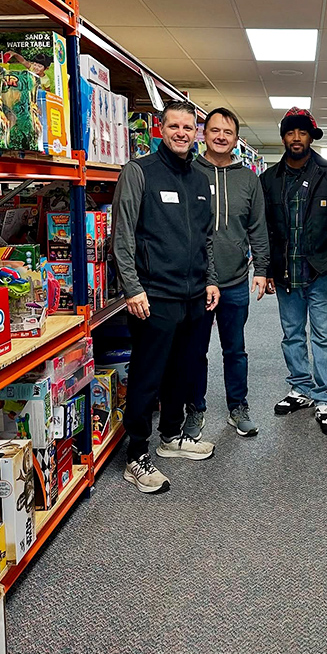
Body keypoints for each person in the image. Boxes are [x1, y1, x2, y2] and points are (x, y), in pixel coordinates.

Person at [112, 100, 220, 494]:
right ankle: (136, 455)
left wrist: (210, 279)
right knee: (147, 375)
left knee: (184, 369)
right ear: (161, 129)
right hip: (154, 295)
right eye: (174, 126)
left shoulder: (199, 179)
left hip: (194, 295)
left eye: (188, 127)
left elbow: (205, 239)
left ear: (196, 133)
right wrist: (132, 287)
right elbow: (121, 237)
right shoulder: (139, 172)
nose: (181, 133)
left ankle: (171, 436)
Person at [260, 108, 327, 436]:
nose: (296, 138)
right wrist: (268, 267)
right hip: (286, 273)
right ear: (284, 137)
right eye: (291, 132)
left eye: (303, 132)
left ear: (311, 136)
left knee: (325, 335)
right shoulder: (269, 180)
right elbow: (263, 228)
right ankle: (300, 389)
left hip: (320, 272)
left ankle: (326, 397)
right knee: (292, 333)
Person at [181, 107, 270, 439]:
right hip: (197, 282)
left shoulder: (248, 178)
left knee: (235, 348)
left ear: (236, 138)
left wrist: (260, 269)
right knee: (195, 349)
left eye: (228, 132)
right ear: (204, 134)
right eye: (214, 130)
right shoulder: (188, 170)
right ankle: (195, 409)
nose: (220, 137)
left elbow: (258, 227)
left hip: (234, 281)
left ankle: (238, 407)